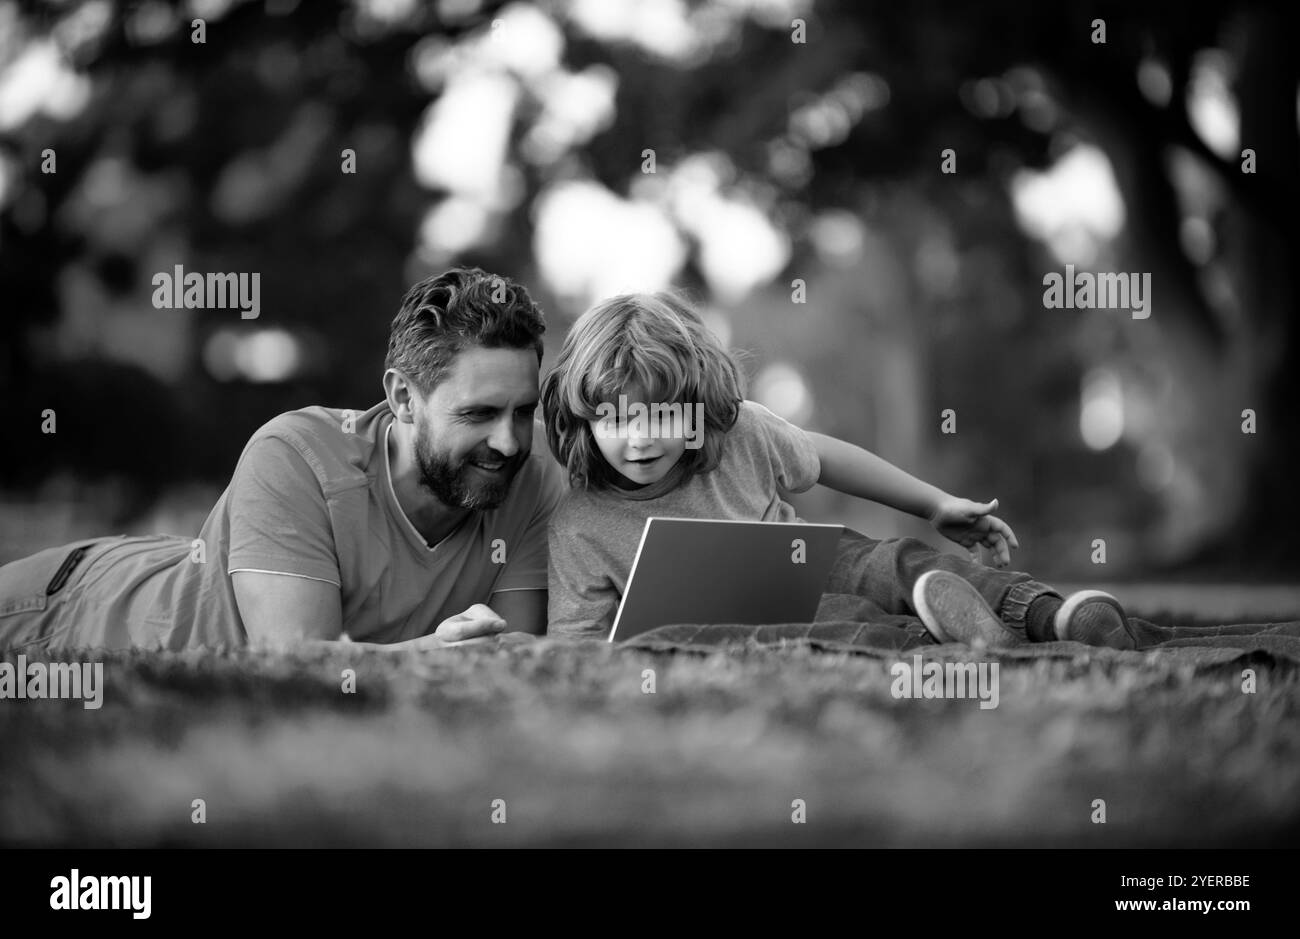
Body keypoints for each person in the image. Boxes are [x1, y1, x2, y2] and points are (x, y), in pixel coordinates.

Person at [0, 268, 566, 652]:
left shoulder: (531, 473)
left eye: (522, 411)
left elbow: (504, 657)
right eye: (478, 414)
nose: (509, 441)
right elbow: (300, 669)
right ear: (401, 398)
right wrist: (439, 653)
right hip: (57, 614)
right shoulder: (296, 457)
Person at [540, 291, 1133, 647]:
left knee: (897, 563)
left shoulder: (738, 431)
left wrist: (933, 505)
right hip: (727, 625)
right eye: (615, 419)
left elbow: (826, 458)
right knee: (839, 621)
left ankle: (1052, 617)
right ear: (581, 417)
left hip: (805, 559)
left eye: (661, 417)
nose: (639, 439)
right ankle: (954, 638)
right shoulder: (579, 523)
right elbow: (578, 642)